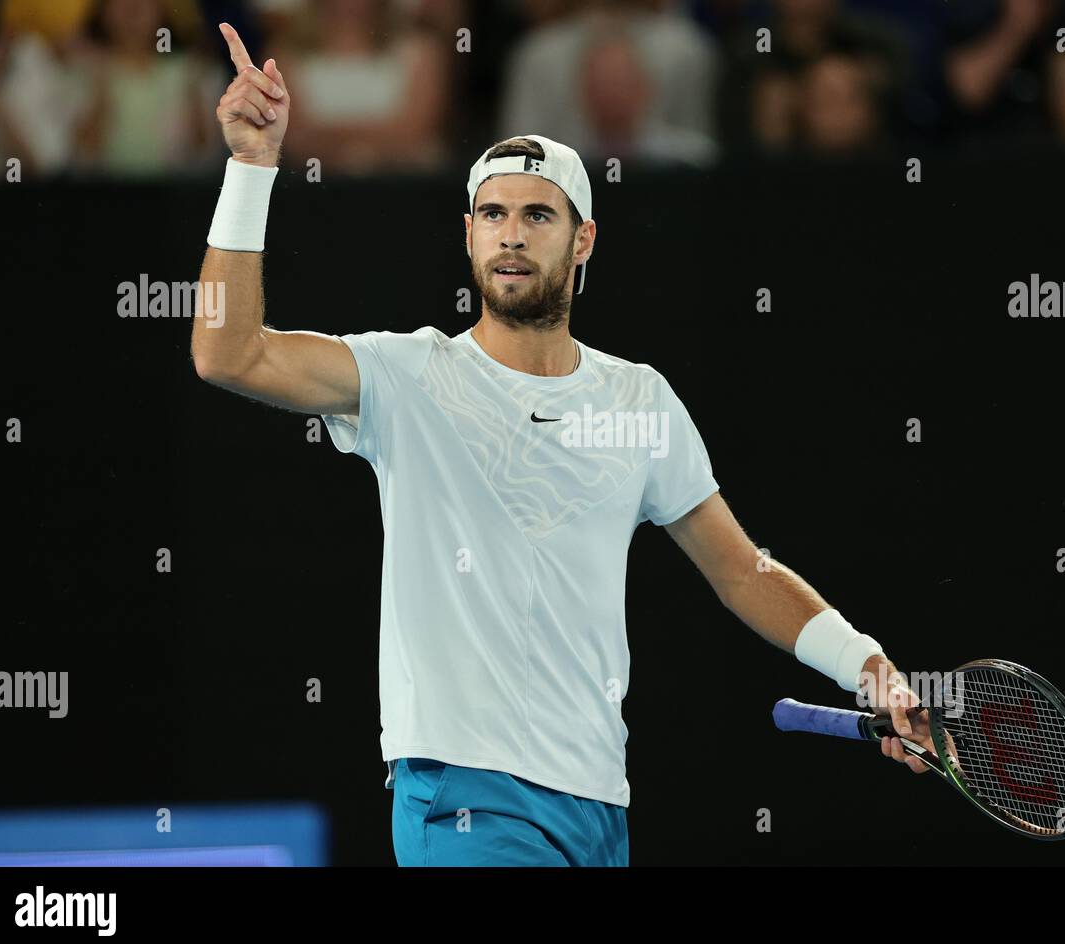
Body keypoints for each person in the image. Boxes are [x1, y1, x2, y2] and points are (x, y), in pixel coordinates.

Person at [192, 22, 933, 867]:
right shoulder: (404, 376)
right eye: (495, 215)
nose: (512, 234)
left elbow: (742, 570)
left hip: (596, 803)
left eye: (538, 215)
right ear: (468, 233)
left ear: (582, 242)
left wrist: (871, 668)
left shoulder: (637, 400)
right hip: (465, 797)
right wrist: (251, 166)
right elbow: (228, 352)